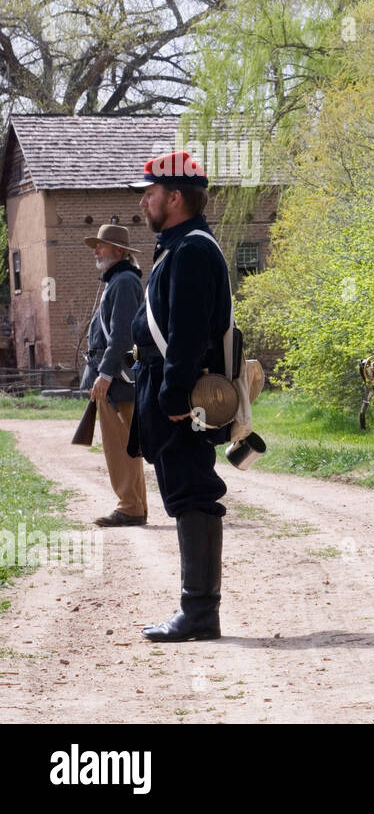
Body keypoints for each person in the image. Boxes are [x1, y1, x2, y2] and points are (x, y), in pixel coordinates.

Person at [127, 151, 233, 642]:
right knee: (183, 490)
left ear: (175, 197)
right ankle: (196, 610)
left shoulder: (190, 250)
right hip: (172, 390)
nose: (144, 200)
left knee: (192, 491)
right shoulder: (178, 246)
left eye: (150, 192)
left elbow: (189, 332)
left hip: (183, 395)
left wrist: (172, 396)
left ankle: (198, 613)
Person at [81, 224, 147, 527]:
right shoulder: (118, 281)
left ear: (118, 252)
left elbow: (121, 335)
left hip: (117, 381)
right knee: (124, 446)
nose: (96, 250)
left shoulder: (122, 282)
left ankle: (130, 507)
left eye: (101, 246)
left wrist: (105, 374)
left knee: (120, 447)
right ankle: (134, 505)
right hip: (116, 379)